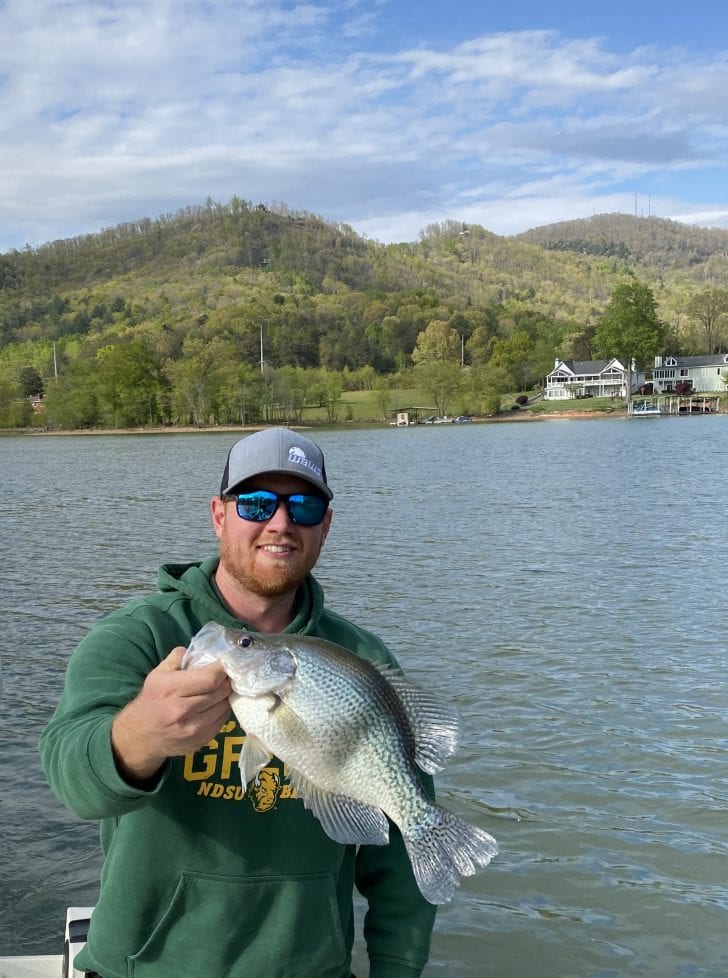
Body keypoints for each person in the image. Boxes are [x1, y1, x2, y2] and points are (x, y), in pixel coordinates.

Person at [39, 427, 436, 978]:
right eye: (255, 502)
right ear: (219, 515)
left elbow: (398, 860)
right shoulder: (137, 636)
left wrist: (397, 968)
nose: (280, 523)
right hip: (147, 967)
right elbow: (70, 778)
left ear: (325, 523)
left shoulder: (360, 657)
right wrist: (140, 737)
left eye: (303, 505)